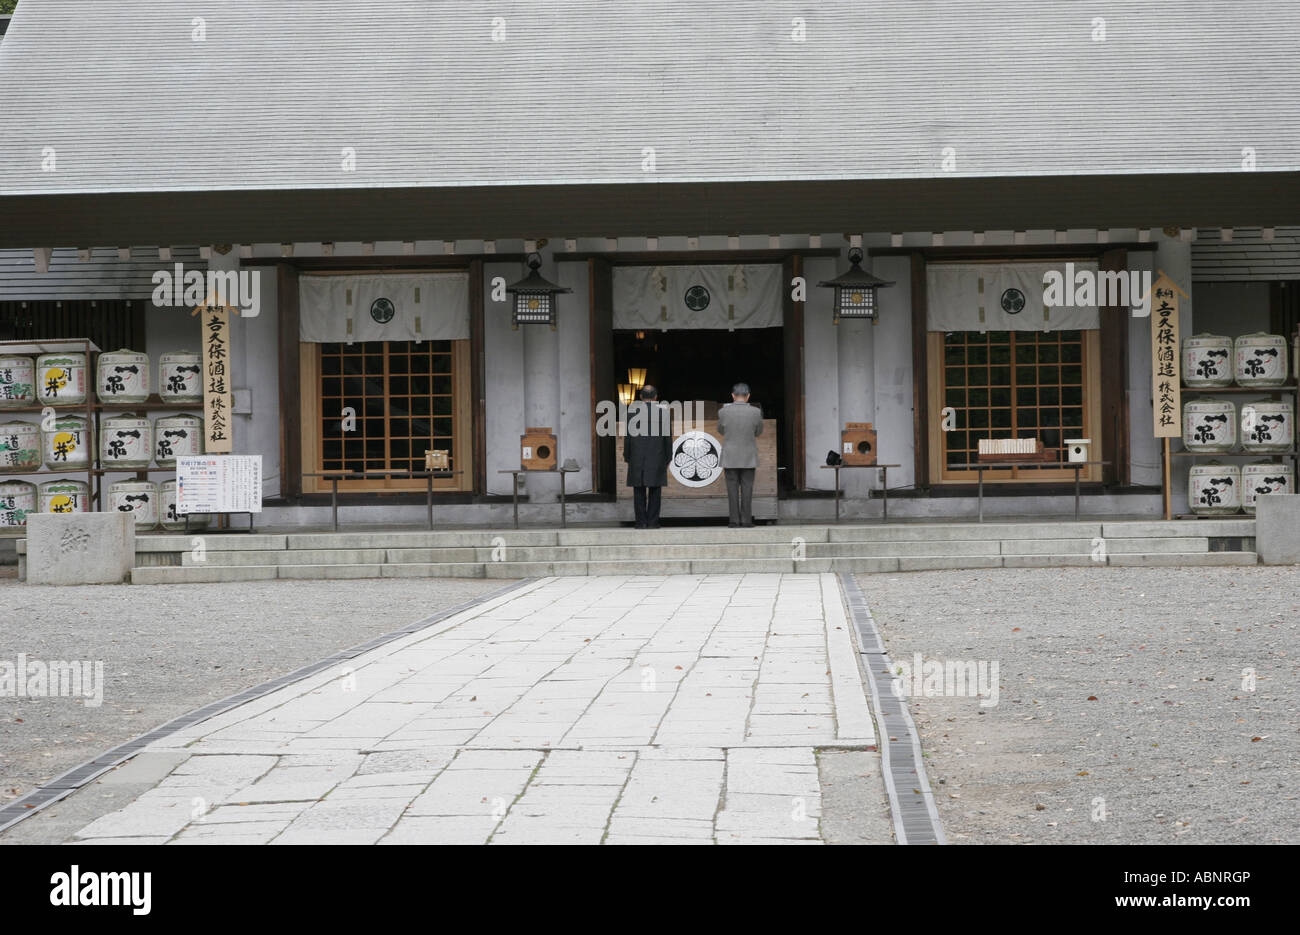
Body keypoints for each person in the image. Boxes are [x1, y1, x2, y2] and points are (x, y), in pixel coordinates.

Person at [623, 384, 672, 529]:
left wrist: (627, 456)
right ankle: (653, 522)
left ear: (640, 397)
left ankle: (640, 522)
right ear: (656, 397)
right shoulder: (663, 414)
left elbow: (628, 438)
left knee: (639, 489)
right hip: (657, 456)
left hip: (637, 456)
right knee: (655, 489)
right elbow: (667, 438)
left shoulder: (632, 413)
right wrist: (668, 457)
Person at [716, 382, 763, 527]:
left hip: (730, 455)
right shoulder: (756, 412)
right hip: (749, 455)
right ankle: (746, 520)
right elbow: (759, 432)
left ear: (732, 396)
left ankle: (734, 520)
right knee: (747, 488)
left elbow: (720, 430)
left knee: (732, 489)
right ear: (748, 396)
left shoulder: (723, 412)